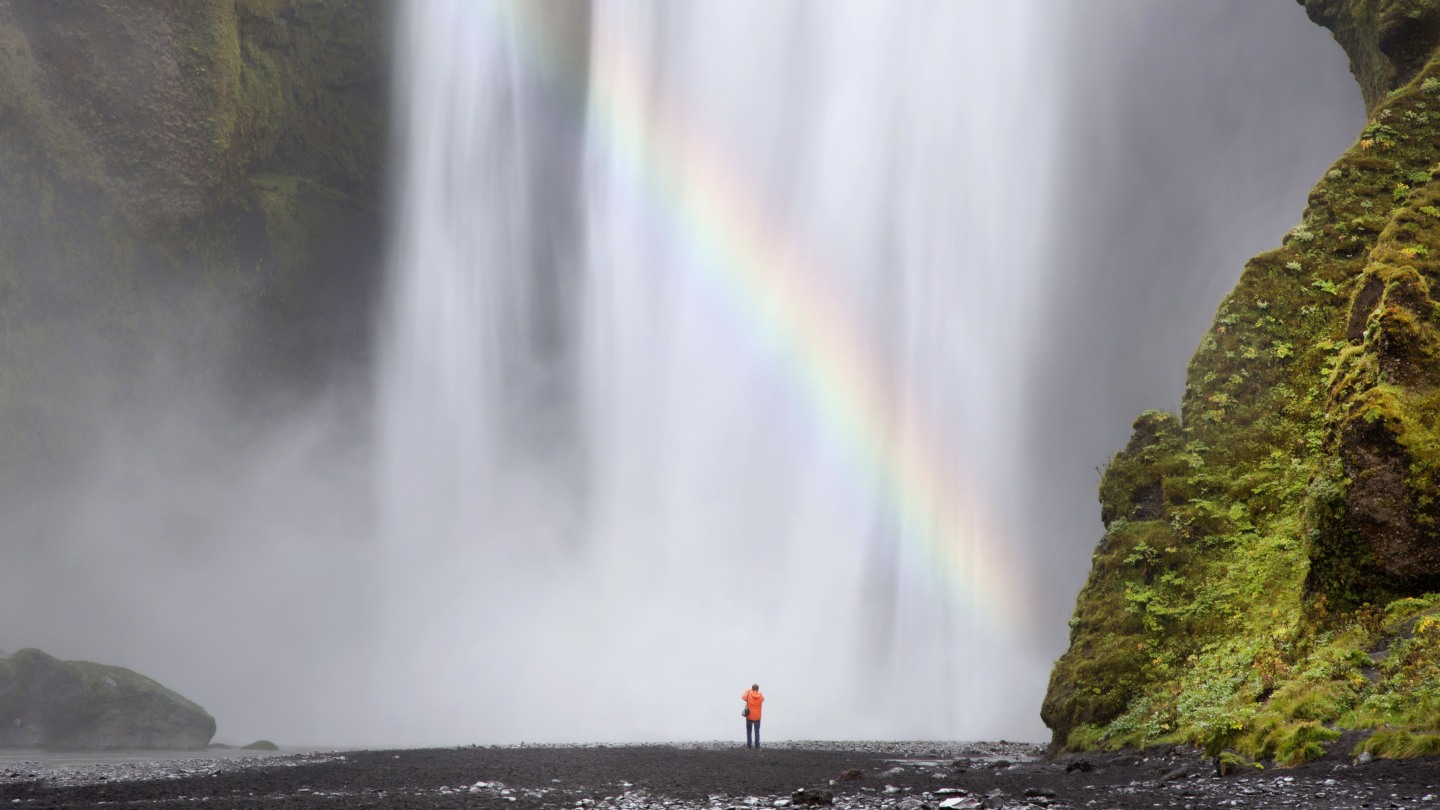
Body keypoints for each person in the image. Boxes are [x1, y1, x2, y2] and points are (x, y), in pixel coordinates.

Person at [741, 683, 764, 748]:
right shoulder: (761, 696)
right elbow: (763, 699)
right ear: (757, 689)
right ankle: (757, 745)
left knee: (749, 731)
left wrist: (748, 690)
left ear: (752, 689)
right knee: (757, 732)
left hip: (749, 716)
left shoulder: (748, 695)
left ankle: (749, 745)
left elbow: (742, 696)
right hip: (757, 717)